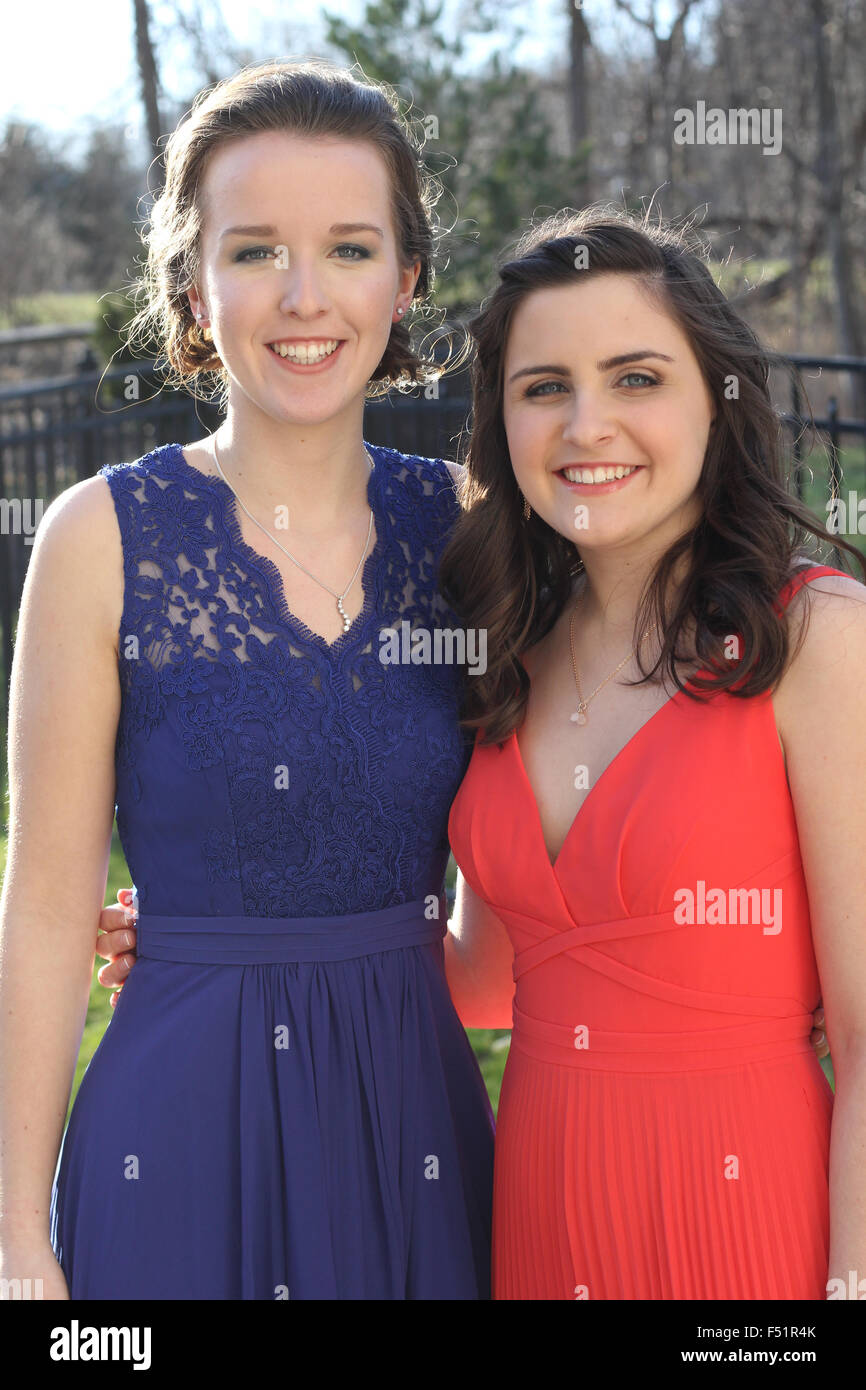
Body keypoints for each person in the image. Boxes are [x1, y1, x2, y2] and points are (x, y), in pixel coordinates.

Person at [0, 58, 494, 1301]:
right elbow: (50, 911)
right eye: (256, 249)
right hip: (170, 1135)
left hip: (414, 1122)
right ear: (192, 280)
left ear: (406, 277)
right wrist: (13, 1238)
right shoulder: (96, 536)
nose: (303, 294)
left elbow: (578, 821)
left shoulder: (474, 534)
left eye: (347, 246)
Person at [438, 208, 866, 1299]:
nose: (587, 425)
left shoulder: (817, 639)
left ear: (715, 404)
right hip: (540, 1229)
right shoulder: (506, 658)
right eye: (543, 387)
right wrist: (235, 931)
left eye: (635, 378)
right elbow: (487, 979)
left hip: (748, 1234)